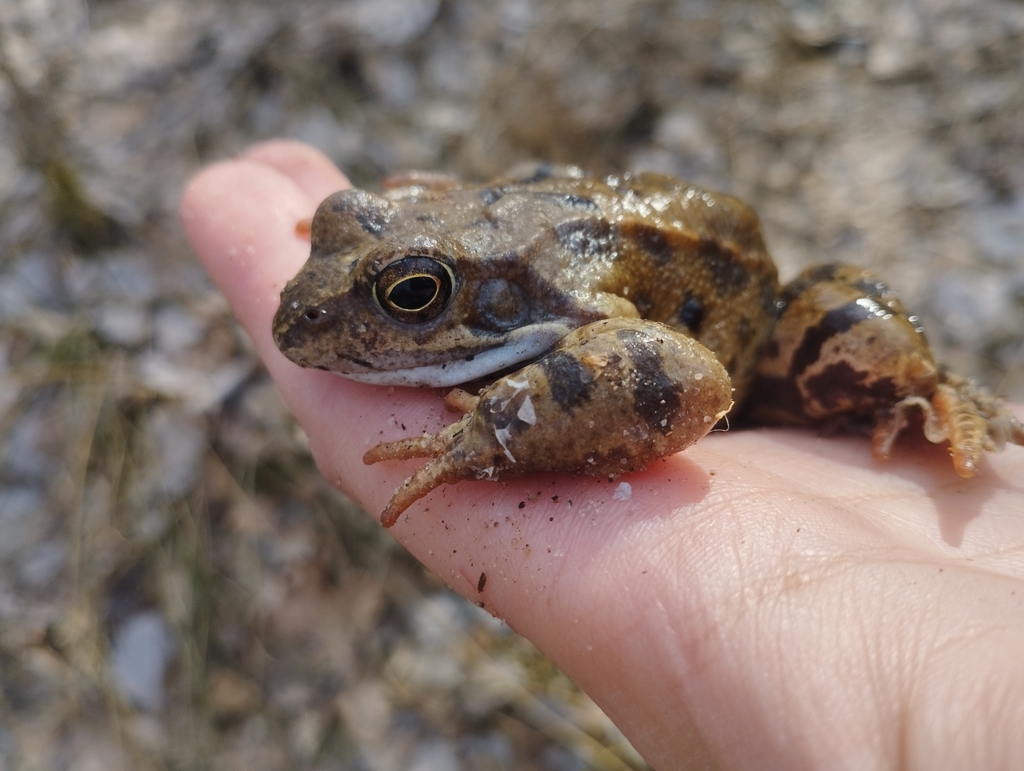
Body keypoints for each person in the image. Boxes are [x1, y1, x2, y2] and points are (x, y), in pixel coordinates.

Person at [182, 140, 1024, 770]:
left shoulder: (565, 302)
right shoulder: (490, 267)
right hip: (562, 221)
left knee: (864, 336)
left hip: (749, 329)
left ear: (493, 295)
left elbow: (692, 375)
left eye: (408, 294)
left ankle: (940, 384)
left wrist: (498, 428)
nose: (314, 309)